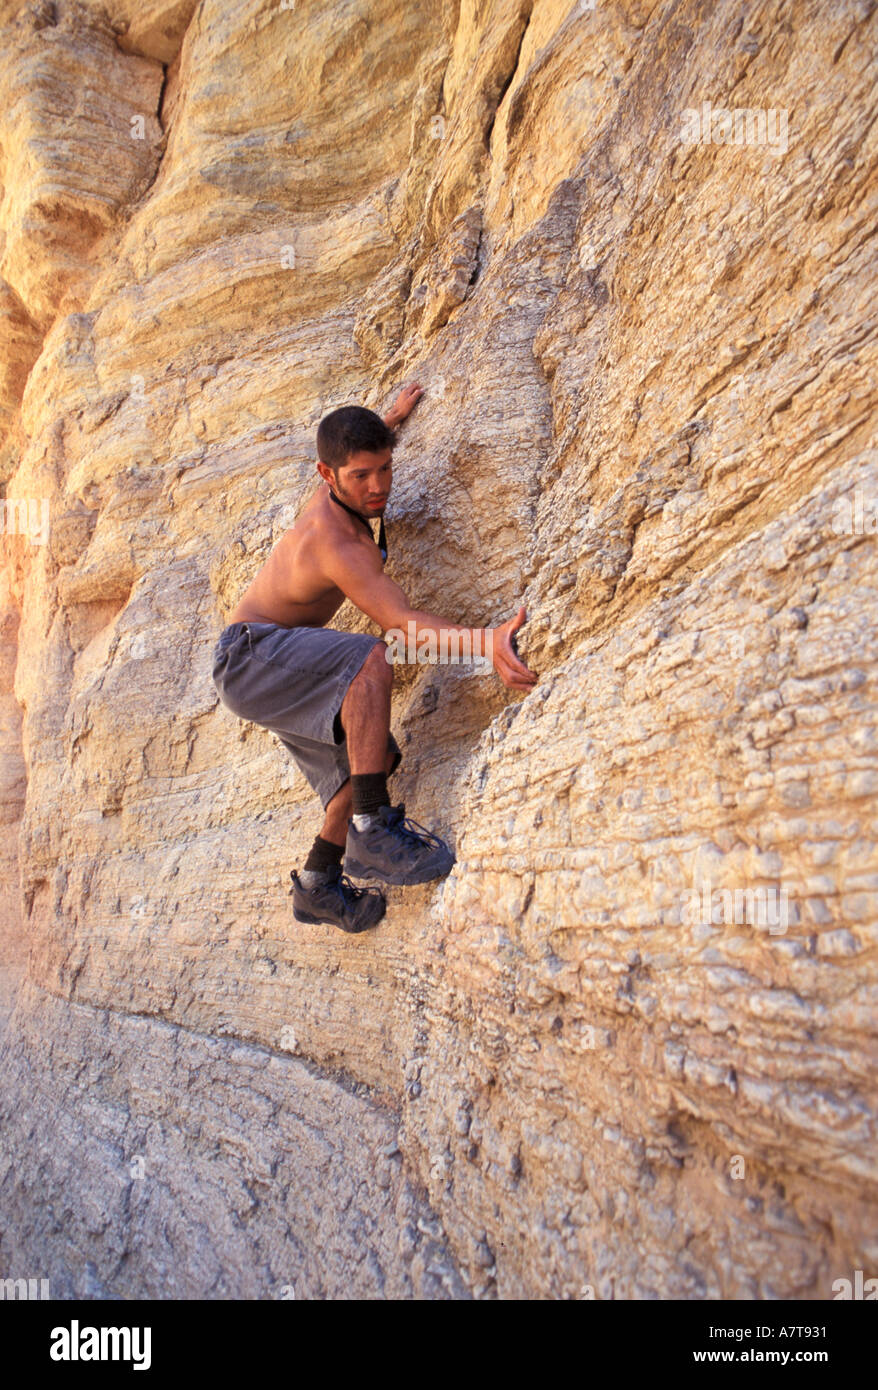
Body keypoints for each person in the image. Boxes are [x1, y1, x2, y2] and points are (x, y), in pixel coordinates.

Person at [212, 383, 538, 932]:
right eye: (360, 476)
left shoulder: (346, 482)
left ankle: (317, 885)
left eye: (384, 468)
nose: (377, 486)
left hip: (270, 667)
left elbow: (362, 452)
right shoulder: (333, 540)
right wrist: (488, 641)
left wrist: (390, 422)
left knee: (370, 760)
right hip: (250, 658)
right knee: (371, 658)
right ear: (327, 475)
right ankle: (371, 828)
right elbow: (402, 626)